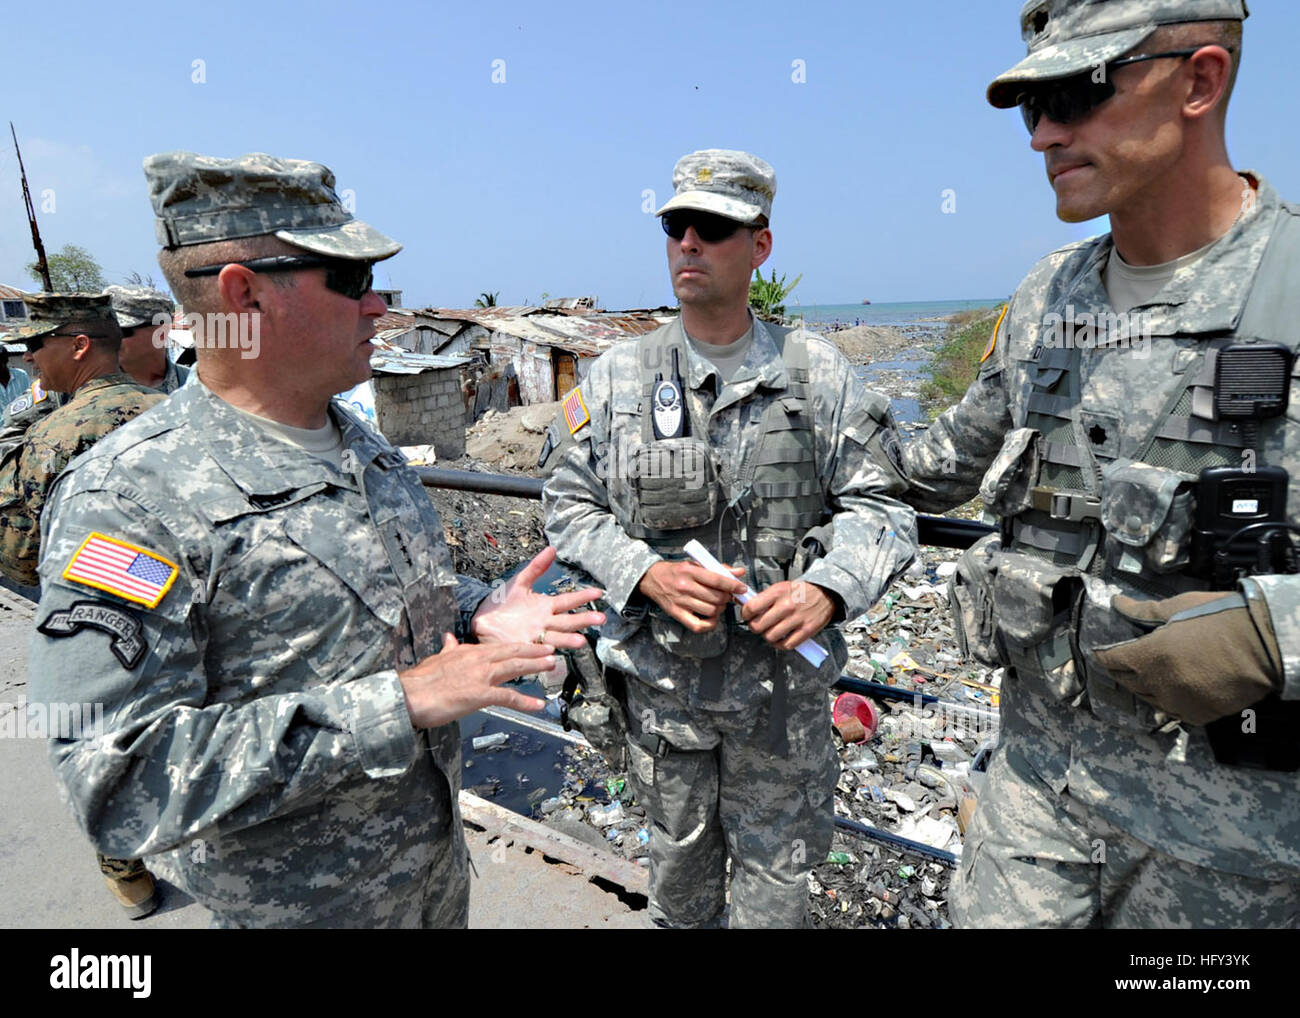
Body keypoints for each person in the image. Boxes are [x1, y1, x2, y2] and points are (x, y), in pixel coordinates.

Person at [27, 151, 604, 928]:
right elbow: (117, 781)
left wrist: (476, 610)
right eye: (352, 280)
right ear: (243, 293)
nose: (380, 308)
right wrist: (400, 703)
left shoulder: (364, 447)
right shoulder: (130, 498)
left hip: (430, 890)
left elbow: (390, 591)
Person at [898, 0, 1300, 927]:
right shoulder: (1050, 295)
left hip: (1231, 852)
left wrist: (1271, 633)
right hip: (1035, 808)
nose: (1044, 134)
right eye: (1029, 106)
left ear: (1201, 79)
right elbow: (937, 466)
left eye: (1077, 92)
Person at [541, 149, 917, 928]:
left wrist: (828, 588)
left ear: (760, 245)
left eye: (712, 227)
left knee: (775, 898)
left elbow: (882, 506)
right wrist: (643, 573)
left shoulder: (816, 376)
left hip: (782, 706)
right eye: (677, 225)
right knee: (677, 890)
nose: (689, 243)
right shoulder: (616, 380)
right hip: (665, 702)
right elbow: (568, 505)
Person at [0, 292, 165, 916]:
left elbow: (17, 550)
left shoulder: (56, 432)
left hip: (100, 618)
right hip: (187, 609)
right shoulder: (181, 409)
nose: (28, 360)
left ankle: (128, 869)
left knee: (101, 735)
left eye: (35, 346)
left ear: (76, 347)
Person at [104, 285, 190, 393]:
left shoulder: (196, 386)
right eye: (105, 330)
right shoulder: (88, 388)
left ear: (161, 333)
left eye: (121, 331)